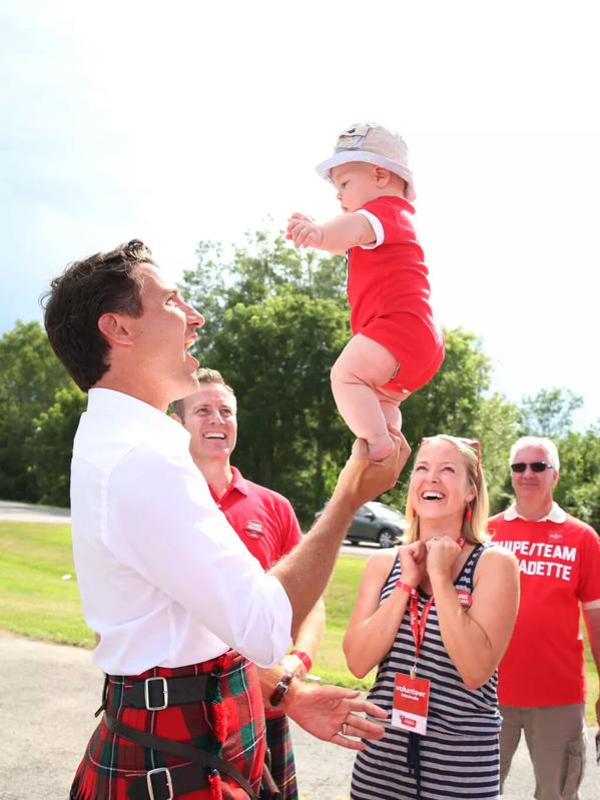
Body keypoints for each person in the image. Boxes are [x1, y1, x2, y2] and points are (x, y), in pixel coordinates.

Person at [42, 239, 409, 800]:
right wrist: (347, 497)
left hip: (186, 731)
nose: (196, 316)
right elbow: (264, 628)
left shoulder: (126, 441)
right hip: (180, 748)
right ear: (118, 329)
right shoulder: (142, 459)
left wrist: (286, 693)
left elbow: (202, 623)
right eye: (172, 302)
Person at [173, 368, 326, 799]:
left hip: (266, 704)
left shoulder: (273, 505)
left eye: (226, 411)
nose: (217, 420)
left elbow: (310, 600)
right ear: (177, 424)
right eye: (202, 410)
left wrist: (299, 662)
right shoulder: (167, 500)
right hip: (188, 705)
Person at [343, 435, 520, 799]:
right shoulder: (384, 564)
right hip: (381, 765)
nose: (431, 479)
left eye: (447, 470)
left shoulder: (494, 564)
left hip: (460, 771)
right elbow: (358, 661)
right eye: (422, 468)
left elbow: (475, 669)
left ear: (471, 490)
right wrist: (406, 584)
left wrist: (440, 578)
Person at [286, 122, 444, 462]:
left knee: (345, 376)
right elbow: (345, 237)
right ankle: (389, 446)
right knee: (380, 398)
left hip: (398, 327)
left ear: (380, 176)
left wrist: (316, 232)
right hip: (419, 341)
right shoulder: (390, 222)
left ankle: (378, 445)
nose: (339, 195)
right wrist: (323, 233)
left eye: (344, 183)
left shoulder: (383, 213)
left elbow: (349, 230)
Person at [488, 436, 600, 800]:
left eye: (538, 466)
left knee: (558, 794)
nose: (527, 474)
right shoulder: (484, 533)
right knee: (474, 792)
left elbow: (596, 619)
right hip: (486, 693)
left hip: (559, 697)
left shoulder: (583, 538)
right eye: (519, 467)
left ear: (556, 475)